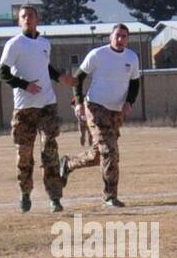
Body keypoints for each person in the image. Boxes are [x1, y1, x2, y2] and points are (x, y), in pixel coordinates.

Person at [0, 4, 74, 213]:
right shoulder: (14, 44)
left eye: (31, 15)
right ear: (19, 21)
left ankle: (55, 198)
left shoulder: (44, 43)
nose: (27, 19)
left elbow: (45, 67)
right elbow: (2, 73)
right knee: (24, 153)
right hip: (24, 108)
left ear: (37, 19)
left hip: (47, 105)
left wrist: (60, 77)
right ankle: (25, 193)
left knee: (50, 149)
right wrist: (25, 85)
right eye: (23, 16)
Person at [60, 24, 141, 208]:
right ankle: (109, 196)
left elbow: (135, 83)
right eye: (117, 36)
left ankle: (68, 164)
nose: (120, 39)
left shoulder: (132, 57)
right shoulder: (97, 55)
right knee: (109, 152)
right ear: (110, 37)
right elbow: (77, 78)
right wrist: (79, 102)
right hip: (96, 107)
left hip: (116, 111)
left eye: (124, 36)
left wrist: (129, 102)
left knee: (100, 154)